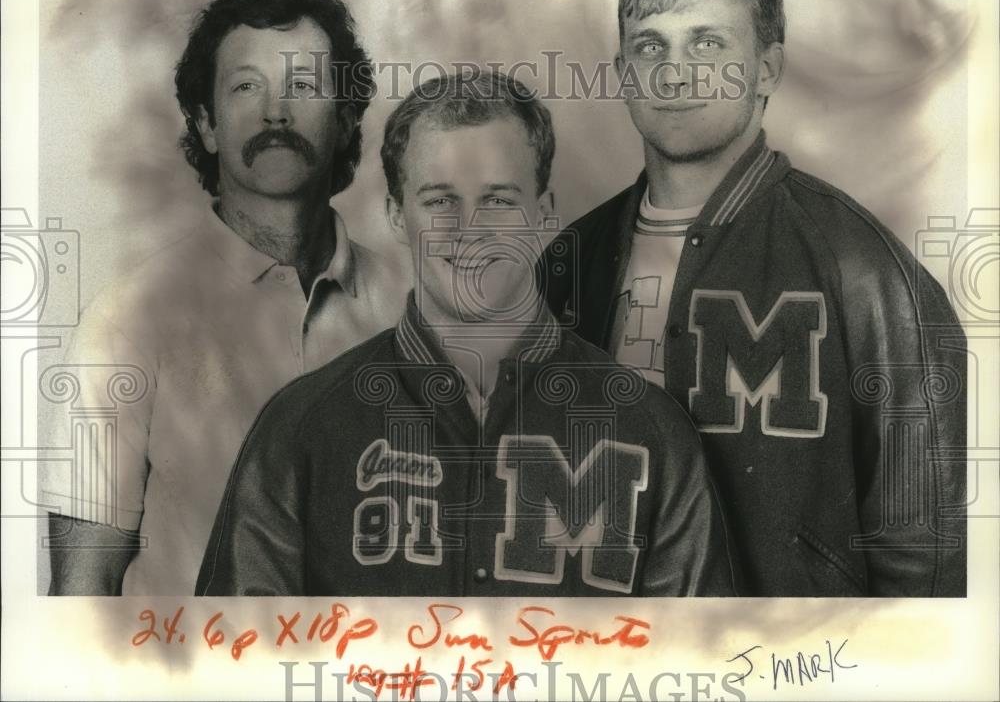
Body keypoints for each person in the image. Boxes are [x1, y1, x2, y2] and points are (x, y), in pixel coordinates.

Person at [196, 70, 738, 596]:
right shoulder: (301, 430)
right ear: (394, 215)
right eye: (439, 200)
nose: (469, 229)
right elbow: (238, 668)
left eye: (498, 200)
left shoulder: (651, 433)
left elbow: (703, 671)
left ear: (543, 214)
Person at [542, 0, 967, 597]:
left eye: (708, 43)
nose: (675, 72)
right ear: (624, 72)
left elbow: (922, 555)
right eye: (651, 46)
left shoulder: (865, 269)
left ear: (767, 69)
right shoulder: (568, 264)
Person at [40, 0, 405, 595]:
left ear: (346, 120)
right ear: (207, 124)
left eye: (303, 86)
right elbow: (83, 595)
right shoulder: (127, 321)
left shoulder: (419, 305)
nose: (275, 111)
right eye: (245, 87)